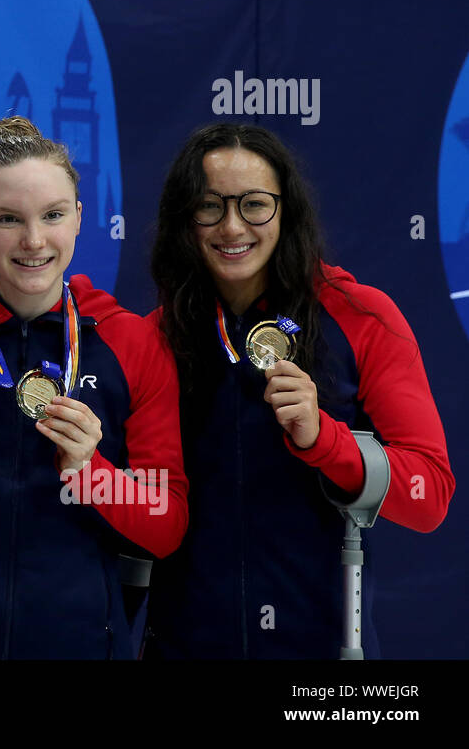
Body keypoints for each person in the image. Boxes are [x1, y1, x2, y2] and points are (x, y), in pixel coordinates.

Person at [145, 122, 454, 659]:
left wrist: (326, 442)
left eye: (255, 204)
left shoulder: (361, 317)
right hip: (182, 647)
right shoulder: (156, 336)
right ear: (184, 218)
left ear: (287, 210)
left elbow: (430, 496)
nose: (232, 226)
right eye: (209, 206)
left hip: (322, 656)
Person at [0, 116, 188, 658]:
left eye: (52, 215)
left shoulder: (132, 343)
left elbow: (167, 526)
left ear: (79, 217)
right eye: (7, 219)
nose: (33, 241)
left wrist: (92, 475)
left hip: (83, 643)